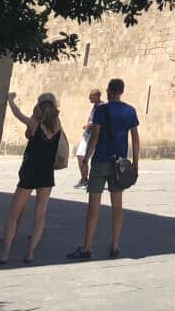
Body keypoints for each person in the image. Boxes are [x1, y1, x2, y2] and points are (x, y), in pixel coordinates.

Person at [68, 76, 140, 260]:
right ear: (122, 91)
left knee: (94, 206)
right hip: (120, 164)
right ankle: (115, 246)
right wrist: (136, 162)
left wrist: (85, 159)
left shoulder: (101, 109)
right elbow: (135, 138)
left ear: (108, 91)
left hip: (100, 161)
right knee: (117, 206)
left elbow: (95, 136)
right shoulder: (130, 111)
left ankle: (87, 247)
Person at [0, 91, 64, 265]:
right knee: (40, 215)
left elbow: (17, 114)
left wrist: (10, 100)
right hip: (47, 174)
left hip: (30, 172)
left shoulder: (34, 124)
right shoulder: (57, 125)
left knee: (13, 215)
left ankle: (5, 254)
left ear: (39, 107)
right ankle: (30, 253)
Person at [74, 86, 102, 189]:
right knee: (80, 155)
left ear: (97, 96)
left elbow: (98, 122)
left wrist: (89, 125)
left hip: (93, 135)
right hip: (87, 135)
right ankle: (84, 178)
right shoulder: (95, 106)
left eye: (91, 96)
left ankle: (88, 180)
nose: (89, 98)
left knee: (84, 156)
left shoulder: (101, 107)